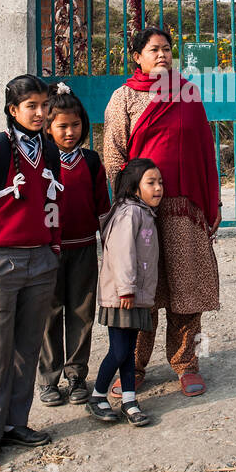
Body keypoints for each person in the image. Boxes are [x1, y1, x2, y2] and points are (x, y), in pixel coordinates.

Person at [103, 26, 221, 398]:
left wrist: (210, 201)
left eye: (167, 49)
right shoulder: (123, 98)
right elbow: (113, 156)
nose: (162, 55)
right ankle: (133, 365)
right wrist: (126, 207)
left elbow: (204, 151)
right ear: (136, 56)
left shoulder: (188, 94)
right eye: (153, 49)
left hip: (184, 212)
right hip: (142, 214)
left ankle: (187, 364)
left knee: (187, 287)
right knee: (141, 289)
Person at [0, 74, 62, 468]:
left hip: (41, 261)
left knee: (28, 348)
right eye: (31, 106)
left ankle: (17, 424)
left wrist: (53, 246)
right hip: (2, 261)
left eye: (43, 105)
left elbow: (54, 201)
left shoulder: (49, 150)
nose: (40, 113)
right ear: (13, 110)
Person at [37, 81, 111, 407]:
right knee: (48, 314)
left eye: (76, 125)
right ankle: (49, 379)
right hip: (47, 251)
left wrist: (109, 245)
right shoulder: (37, 163)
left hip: (83, 249)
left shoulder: (92, 162)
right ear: (48, 127)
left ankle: (77, 374)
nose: (70, 132)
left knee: (82, 312)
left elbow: (102, 208)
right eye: (62, 126)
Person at [87, 158, 164, 427]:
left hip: (133, 296)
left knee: (127, 351)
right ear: (133, 188)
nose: (158, 188)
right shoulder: (129, 213)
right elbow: (122, 254)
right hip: (122, 296)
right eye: (151, 183)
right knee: (119, 351)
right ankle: (97, 395)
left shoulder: (143, 212)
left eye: (160, 182)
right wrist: (127, 289)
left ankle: (129, 400)